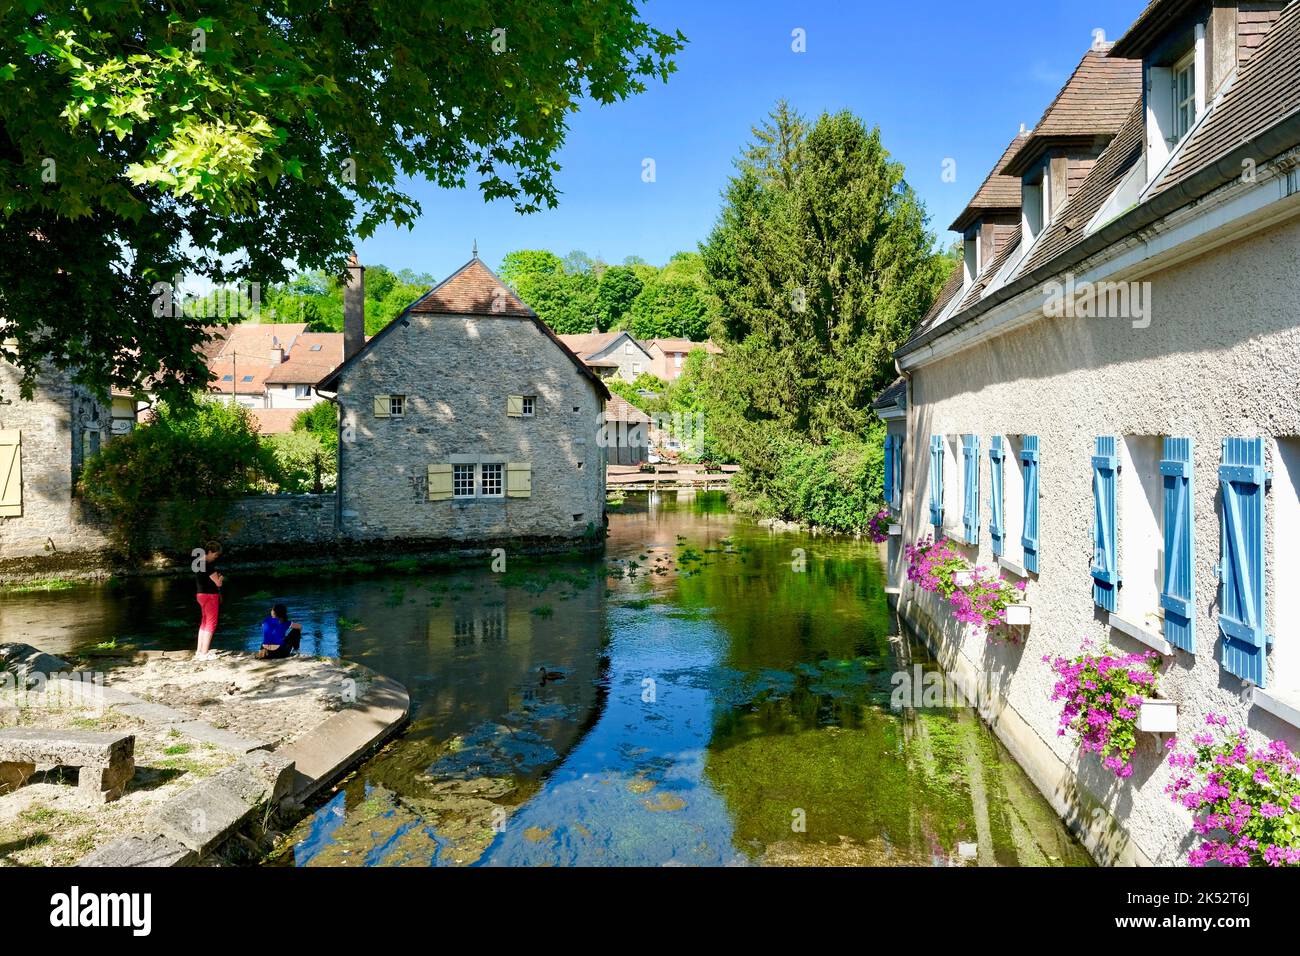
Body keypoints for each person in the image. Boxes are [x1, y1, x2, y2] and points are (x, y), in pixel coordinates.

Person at [194, 541, 224, 661]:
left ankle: (199, 651)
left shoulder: (199, 563)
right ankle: (204, 653)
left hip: (200, 594)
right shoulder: (208, 566)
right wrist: (221, 578)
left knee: (204, 622)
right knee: (211, 623)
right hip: (210, 596)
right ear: (210, 552)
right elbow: (218, 583)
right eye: (215, 555)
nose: (216, 557)